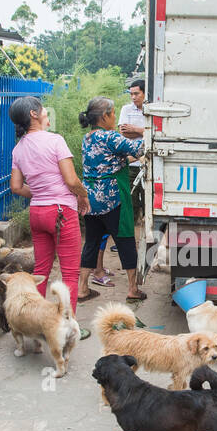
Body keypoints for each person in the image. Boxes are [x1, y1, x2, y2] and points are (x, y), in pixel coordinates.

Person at [8, 97, 90, 330]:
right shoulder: (55, 140)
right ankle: (68, 326)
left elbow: (15, 186)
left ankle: (36, 324)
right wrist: (83, 195)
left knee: (41, 270)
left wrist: (41, 193)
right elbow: (71, 180)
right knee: (70, 272)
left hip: (37, 212)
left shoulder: (19, 148)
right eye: (42, 108)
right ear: (34, 114)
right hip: (61, 212)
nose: (46, 111)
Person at [78, 97, 146, 302]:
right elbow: (140, 149)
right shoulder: (110, 137)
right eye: (113, 113)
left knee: (91, 242)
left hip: (91, 201)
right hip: (112, 198)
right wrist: (146, 130)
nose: (115, 117)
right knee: (125, 241)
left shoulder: (88, 138)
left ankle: (82, 288)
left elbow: (113, 160)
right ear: (105, 116)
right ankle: (133, 289)